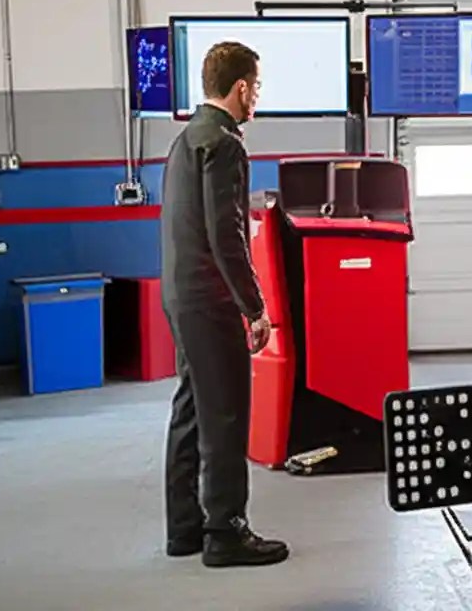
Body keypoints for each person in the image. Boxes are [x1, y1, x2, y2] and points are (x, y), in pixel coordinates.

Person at [160, 41, 288, 567]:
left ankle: (185, 529)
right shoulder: (225, 143)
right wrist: (255, 307)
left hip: (181, 294)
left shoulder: (187, 137)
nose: (257, 95)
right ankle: (226, 532)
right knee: (227, 415)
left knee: (191, 409)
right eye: (256, 86)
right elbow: (227, 235)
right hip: (209, 301)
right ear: (241, 88)